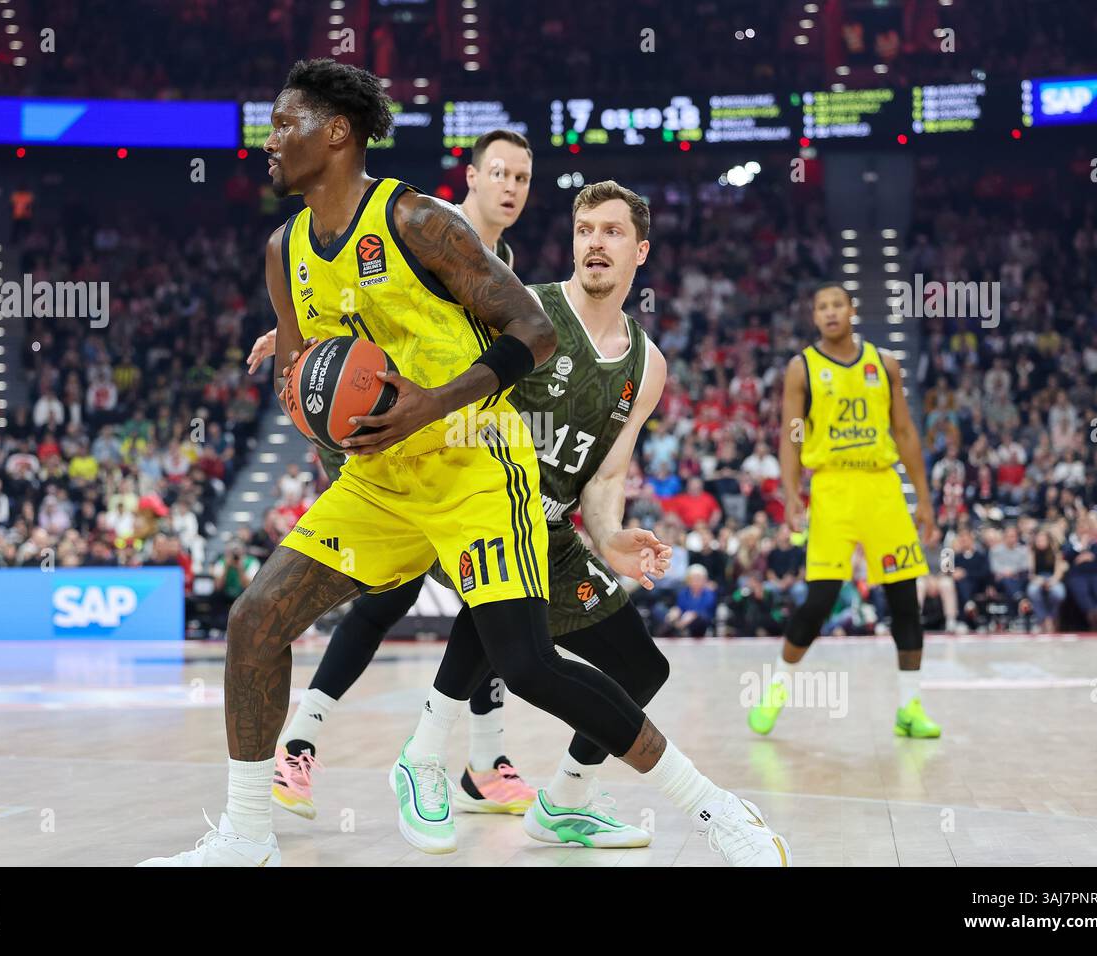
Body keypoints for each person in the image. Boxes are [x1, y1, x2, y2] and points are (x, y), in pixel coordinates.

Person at [141, 61, 786, 867]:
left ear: (336, 132)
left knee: (527, 666)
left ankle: (716, 810)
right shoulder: (284, 250)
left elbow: (532, 331)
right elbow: (302, 369)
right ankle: (244, 837)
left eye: (283, 124)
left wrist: (429, 403)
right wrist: (306, 404)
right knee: (253, 619)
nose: (267, 141)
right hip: (380, 480)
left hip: (477, 466)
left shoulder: (417, 219)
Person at [247, 128, 543, 816]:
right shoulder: (430, 228)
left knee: (458, 600)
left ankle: (472, 756)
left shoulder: (503, 258)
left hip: (455, 443)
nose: (510, 186)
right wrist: (295, 342)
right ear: (469, 176)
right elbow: (348, 298)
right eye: (498, 171)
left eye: (523, 178)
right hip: (383, 440)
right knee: (419, 596)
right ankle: (323, 745)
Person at [748, 283, 941, 739]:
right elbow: (792, 434)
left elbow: (907, 433)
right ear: (814, 317)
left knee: (904, 598)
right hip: (832, 487)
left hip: (881, 487)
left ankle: (909, 707)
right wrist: (791, 492)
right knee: (819, 600)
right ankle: (776, 688)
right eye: (822, 307)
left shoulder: (885, 363)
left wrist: (925, 500)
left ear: (852, 310)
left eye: (838, 304)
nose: (831, 313)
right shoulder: (802, 368)